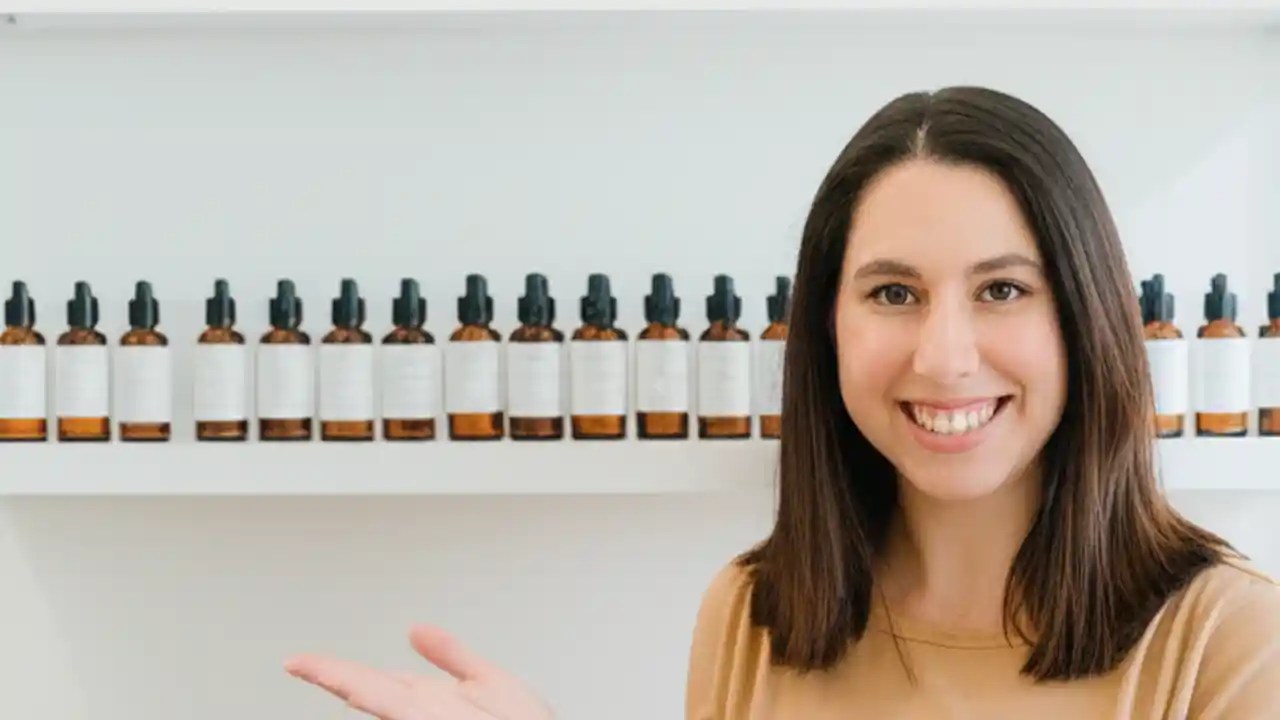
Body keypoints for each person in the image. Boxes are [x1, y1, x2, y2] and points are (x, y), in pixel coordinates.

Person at [281, 86, 1280, 719]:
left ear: (1087, 320)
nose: (942, 355)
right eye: (892, 293)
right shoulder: (758, 614)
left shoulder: (1226, 643)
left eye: (1002, 290)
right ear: (826, 328)